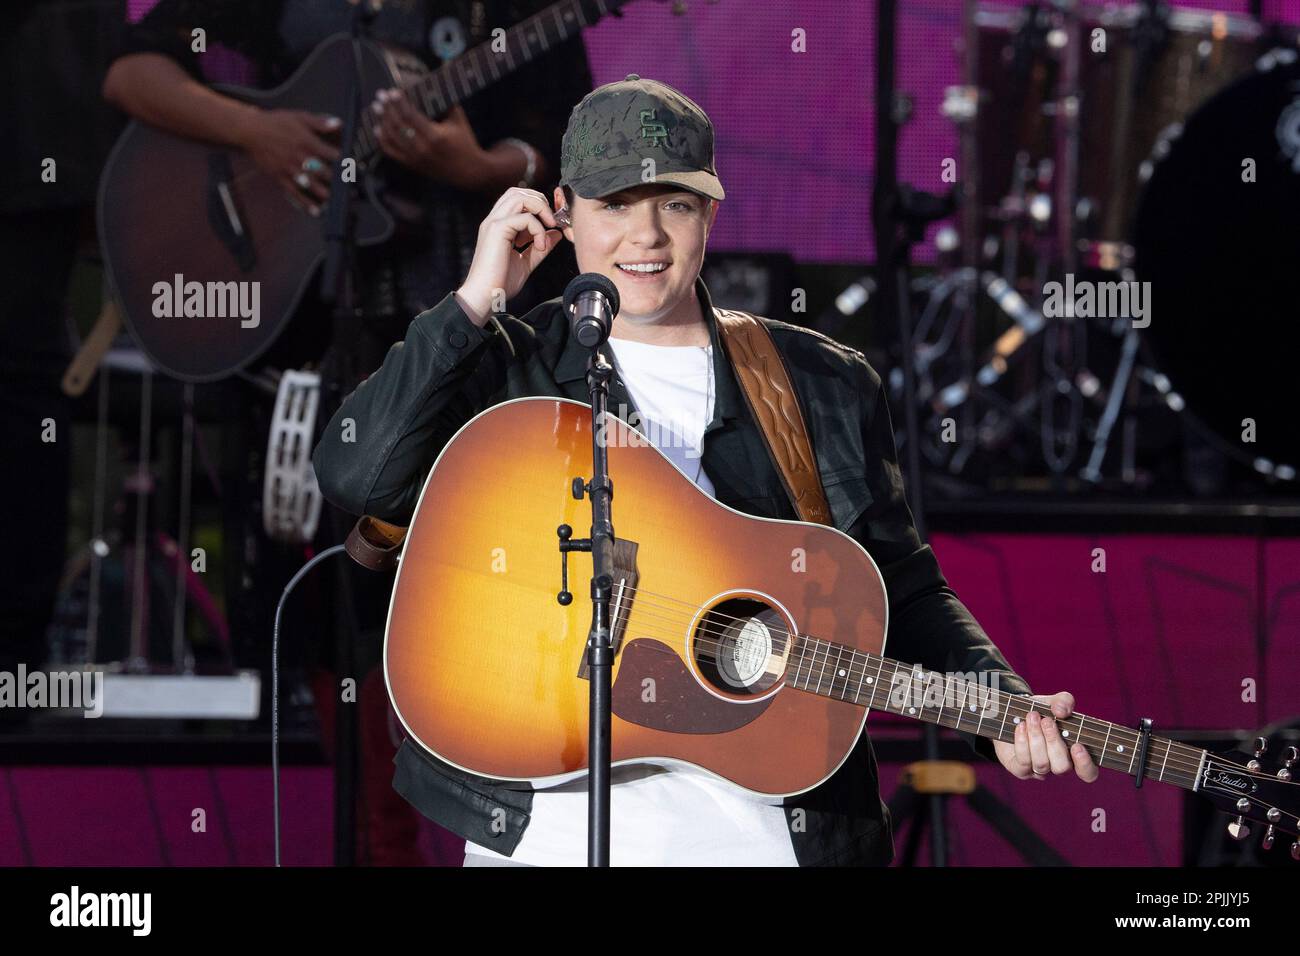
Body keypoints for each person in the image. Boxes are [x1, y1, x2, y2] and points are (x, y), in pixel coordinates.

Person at [312, 75, 1100, 867]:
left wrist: (997, 703)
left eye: (675, 205)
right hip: (539, 830)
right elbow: (356, 476)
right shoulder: (502, 365)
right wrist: (476, 300)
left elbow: (901, 588)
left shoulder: (819, 382)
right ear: (561, 211)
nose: (645, 237)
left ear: (711, 214)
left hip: (766, 835)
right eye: (614, 204)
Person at [101, 0, 593, 865]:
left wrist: (477, 163)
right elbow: (130, 72)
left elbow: (575, 153)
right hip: (316, 351)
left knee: (482, 603)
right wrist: (258, 134)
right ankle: (383, 845)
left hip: (471, 350)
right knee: (340, 606)